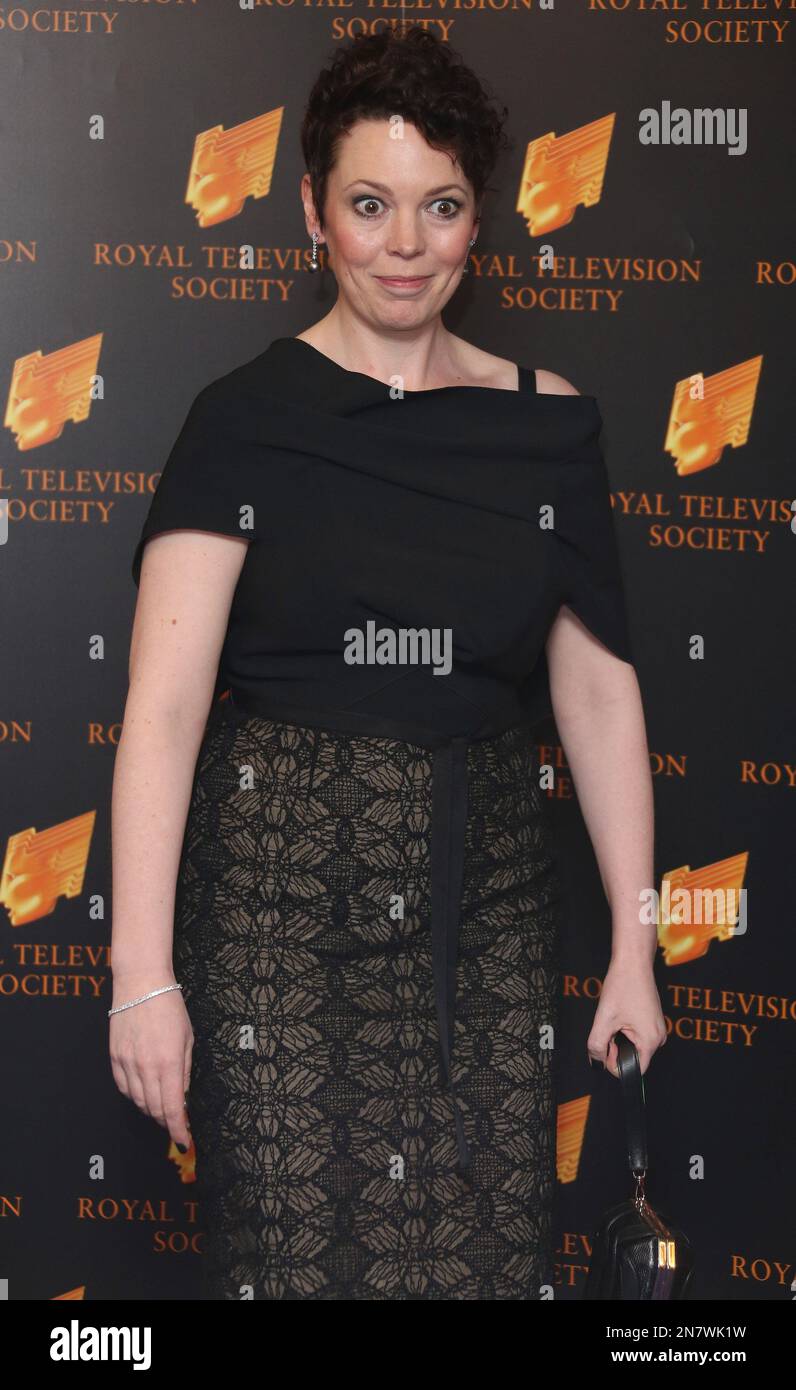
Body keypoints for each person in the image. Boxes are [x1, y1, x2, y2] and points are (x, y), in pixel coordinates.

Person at [110, 26, 665, 1301]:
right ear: (314, 211)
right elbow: (165, 708)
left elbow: (596, 692)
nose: (405, 244)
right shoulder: (244, 422)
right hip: (280, 932)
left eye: (439, 206)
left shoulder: (545, 425)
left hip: (489, 928)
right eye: (369, 205)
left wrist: (635, 949)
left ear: (478, 219)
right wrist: (140, 975)